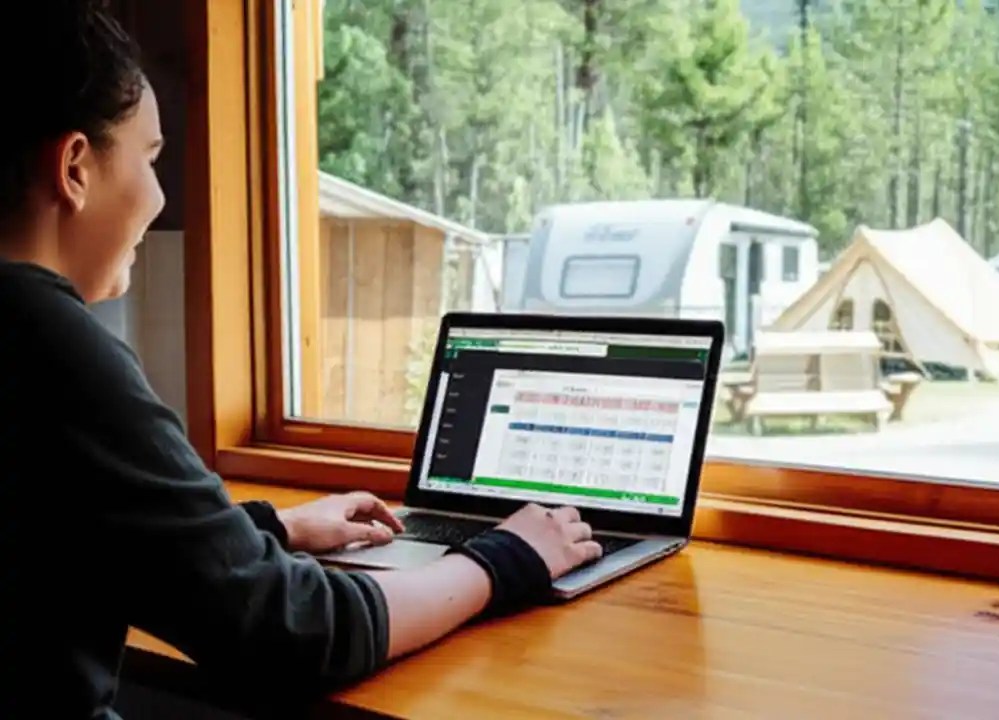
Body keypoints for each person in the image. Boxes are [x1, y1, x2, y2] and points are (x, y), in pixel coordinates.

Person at [0, 3, 602, 718]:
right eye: (152, 157)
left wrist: (269, 530)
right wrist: (501, 561)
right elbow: (296, 635)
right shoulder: (47, 342)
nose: (161, 195)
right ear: (74, 167)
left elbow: (61, 535)